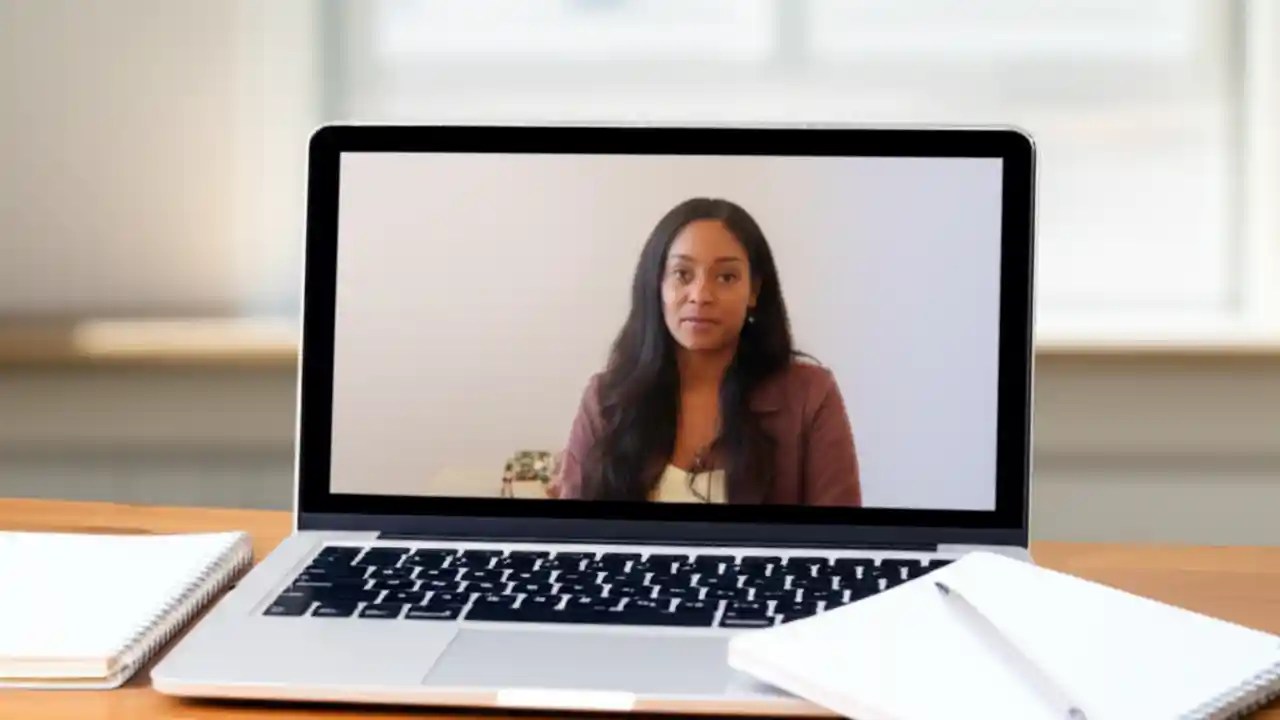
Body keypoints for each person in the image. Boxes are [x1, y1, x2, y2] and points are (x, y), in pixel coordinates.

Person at [551, 197, 861, 506]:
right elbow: (572, 537)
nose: (701, 295)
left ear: (753, 291)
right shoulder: (605, 399)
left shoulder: (811, 395)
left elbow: (844, 541)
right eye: (683, 274)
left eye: (726, 277)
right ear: (657, 285)